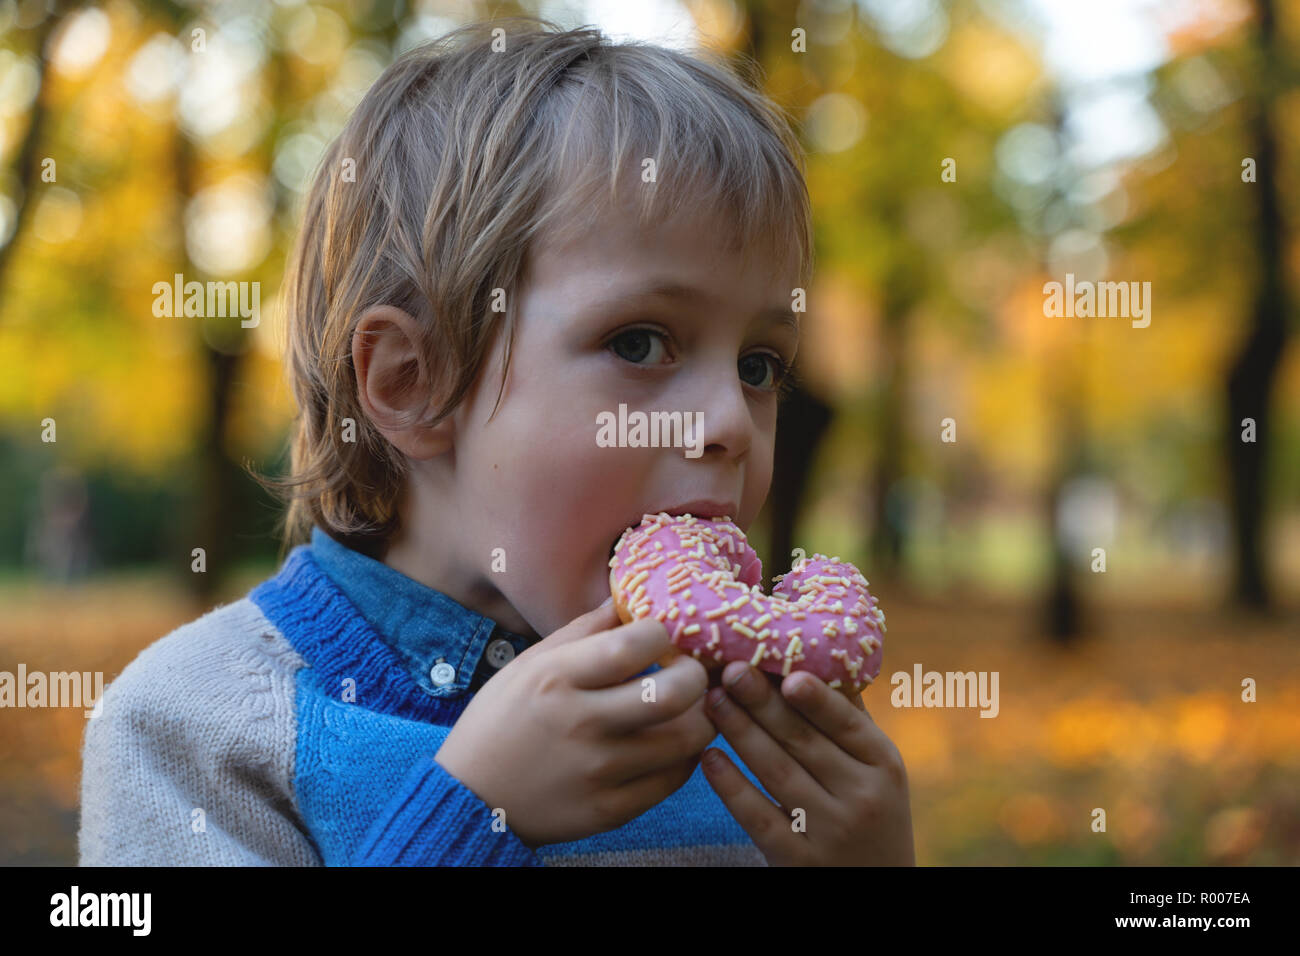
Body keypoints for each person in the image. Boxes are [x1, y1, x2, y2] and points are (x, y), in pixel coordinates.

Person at [78, 17, 914, 866]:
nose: (732, 420)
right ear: (412, 383)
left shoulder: (763, 740)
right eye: (639, 343)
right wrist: (471, 816)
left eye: (760, 364)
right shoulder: (195, 725)